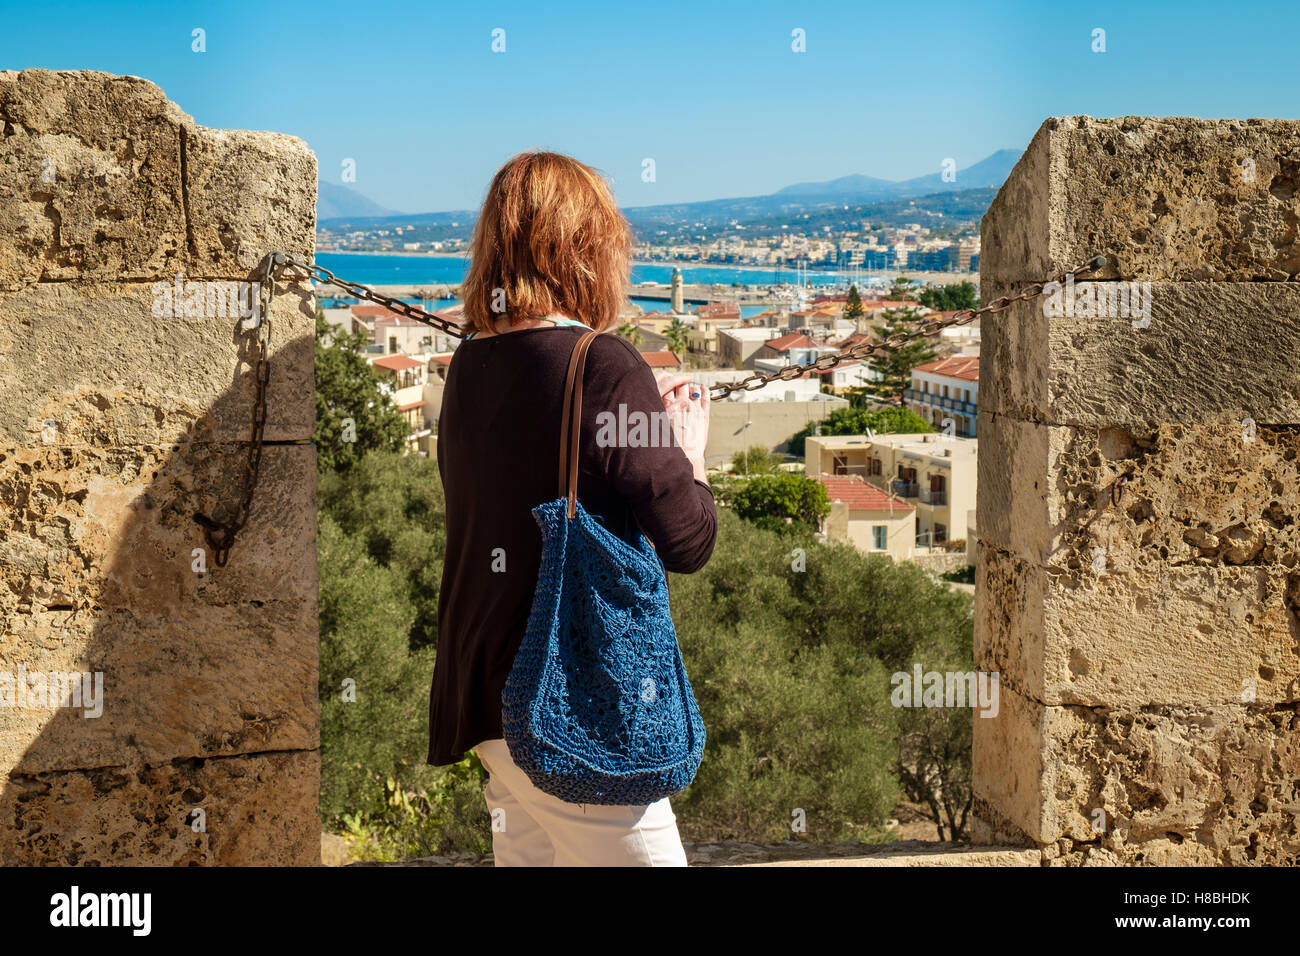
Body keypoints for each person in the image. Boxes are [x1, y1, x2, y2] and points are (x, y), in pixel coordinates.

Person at [426, 151, 718, 866]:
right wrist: (691, 451)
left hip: (486, 695)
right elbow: (688, 540)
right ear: (588, 248)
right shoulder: (605, 364)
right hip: (571, 703)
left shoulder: (468, 364)